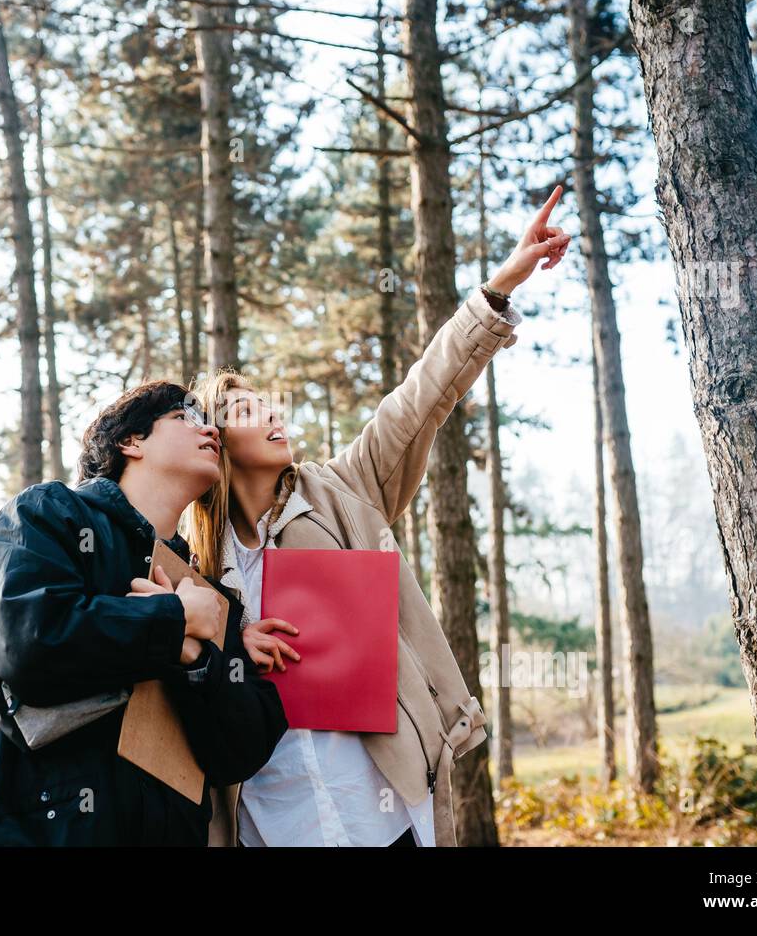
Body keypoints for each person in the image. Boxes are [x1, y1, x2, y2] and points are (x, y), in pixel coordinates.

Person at [184, 187, 571, 847]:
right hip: (271, 821)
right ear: (215, 443)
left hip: (383, 811)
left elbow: (419, 399)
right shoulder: (192, 565)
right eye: (250, 410)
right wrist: (229, 648)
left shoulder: (343, 490)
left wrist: (502, 284)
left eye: (273, 404)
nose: (276, 413)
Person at [0, 380, 288, 846]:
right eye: (185, 418)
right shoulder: (47, 515)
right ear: (131, 441)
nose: (210, 431)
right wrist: (172, 622)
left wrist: (199, 660)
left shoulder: (206, 594)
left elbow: (241, 752)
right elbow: (27, 640)